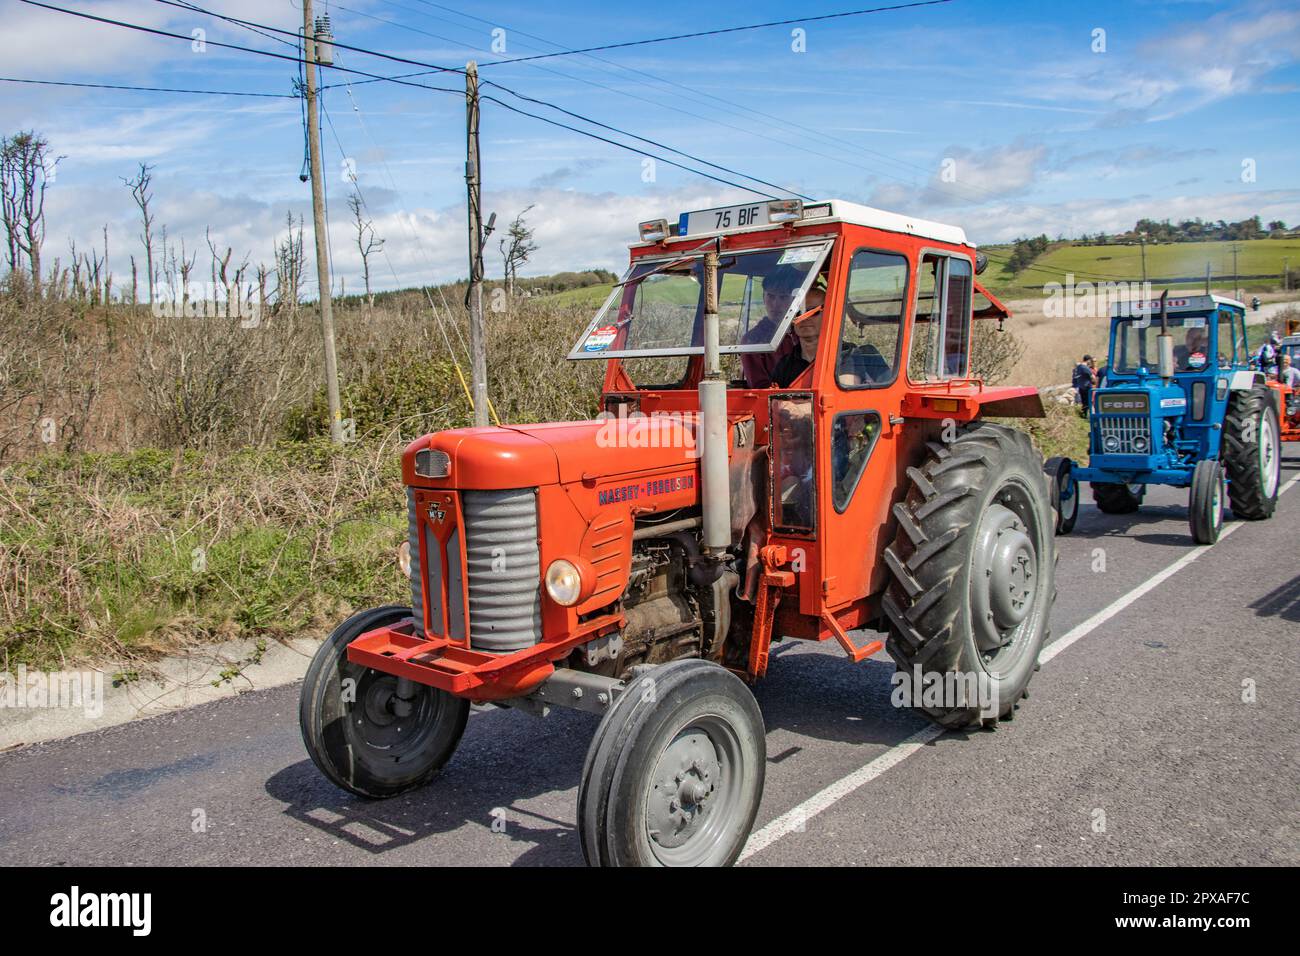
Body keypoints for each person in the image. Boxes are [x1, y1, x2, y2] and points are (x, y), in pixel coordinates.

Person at [740, 267, 802, 388]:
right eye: (771, 296)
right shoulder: (753, 340)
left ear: (795, 300)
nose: (776, 304)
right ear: (764, 297)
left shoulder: (805, 331)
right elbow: (760, 387)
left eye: (783, 297)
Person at [769, 286, 824, 388]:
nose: (804, 318)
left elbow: (844, 393)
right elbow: (774, 399)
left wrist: (801, 405)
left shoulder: (845, 354)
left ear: (828, 313)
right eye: (798, 313)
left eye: (813, 312)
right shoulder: (784, 365)